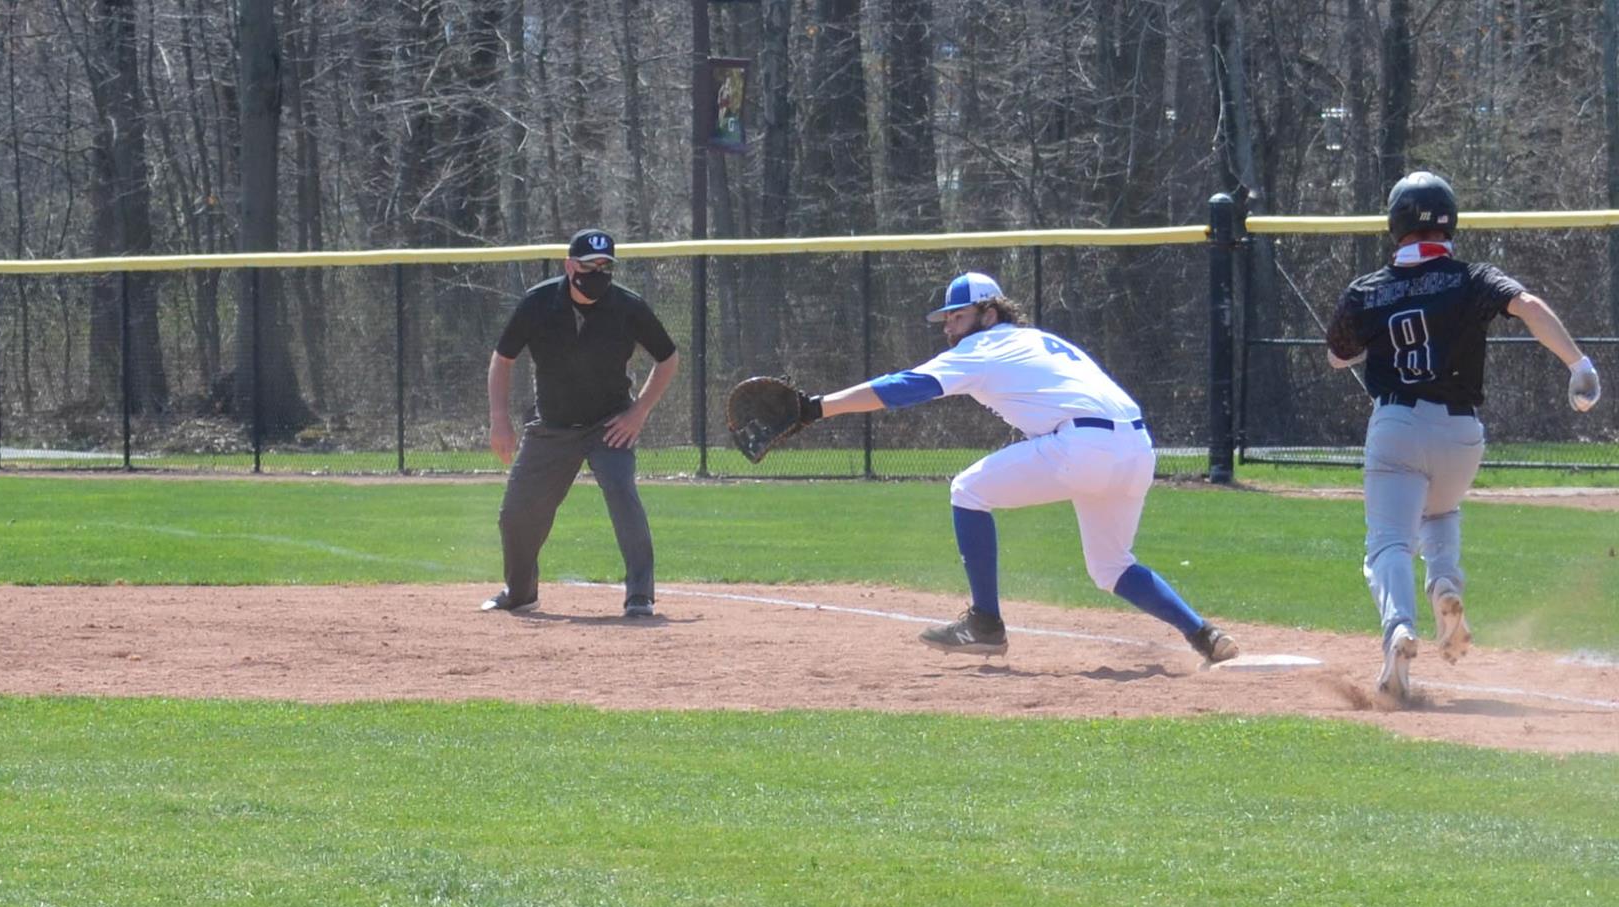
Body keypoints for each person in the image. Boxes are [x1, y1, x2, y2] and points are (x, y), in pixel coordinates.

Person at [786, 272, 1240, 665]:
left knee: (968, 491)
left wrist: (816, 408)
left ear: (988, 313)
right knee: (1111, 567)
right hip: (1137, 448)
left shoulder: (983, 346)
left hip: (1083, 445)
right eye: (946, 319)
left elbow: (905, 387)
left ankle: (985, 622)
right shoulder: (1041, 340)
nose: (949, 326)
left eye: (958, 315)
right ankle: (1204, 635)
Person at [1325, 170, 1600, 705]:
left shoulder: (1368, 289)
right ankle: (1445, 584)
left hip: (1397, 427)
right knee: (1441, 512)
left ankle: (1399, 631)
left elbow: (1338, 354)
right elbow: (1529, 307)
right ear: (1451, 224)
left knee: (1388, 544)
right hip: (1461, 434)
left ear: (1394, 224)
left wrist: (1372, 343)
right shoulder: (1472, 278)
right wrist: (1579, 363)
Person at [484, 228, 681, 617]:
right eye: (590, 266)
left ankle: (639, 594)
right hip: (552, 427)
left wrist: (638, 412)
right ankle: (521, 593)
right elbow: (502, 359)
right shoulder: (538, 303)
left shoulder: (627, 306)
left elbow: (668, 358)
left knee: (623, 495)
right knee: (516, 514)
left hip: (609, 425)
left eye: (606, 266)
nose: (599, 274)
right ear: (570, 266)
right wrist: (499, 419)